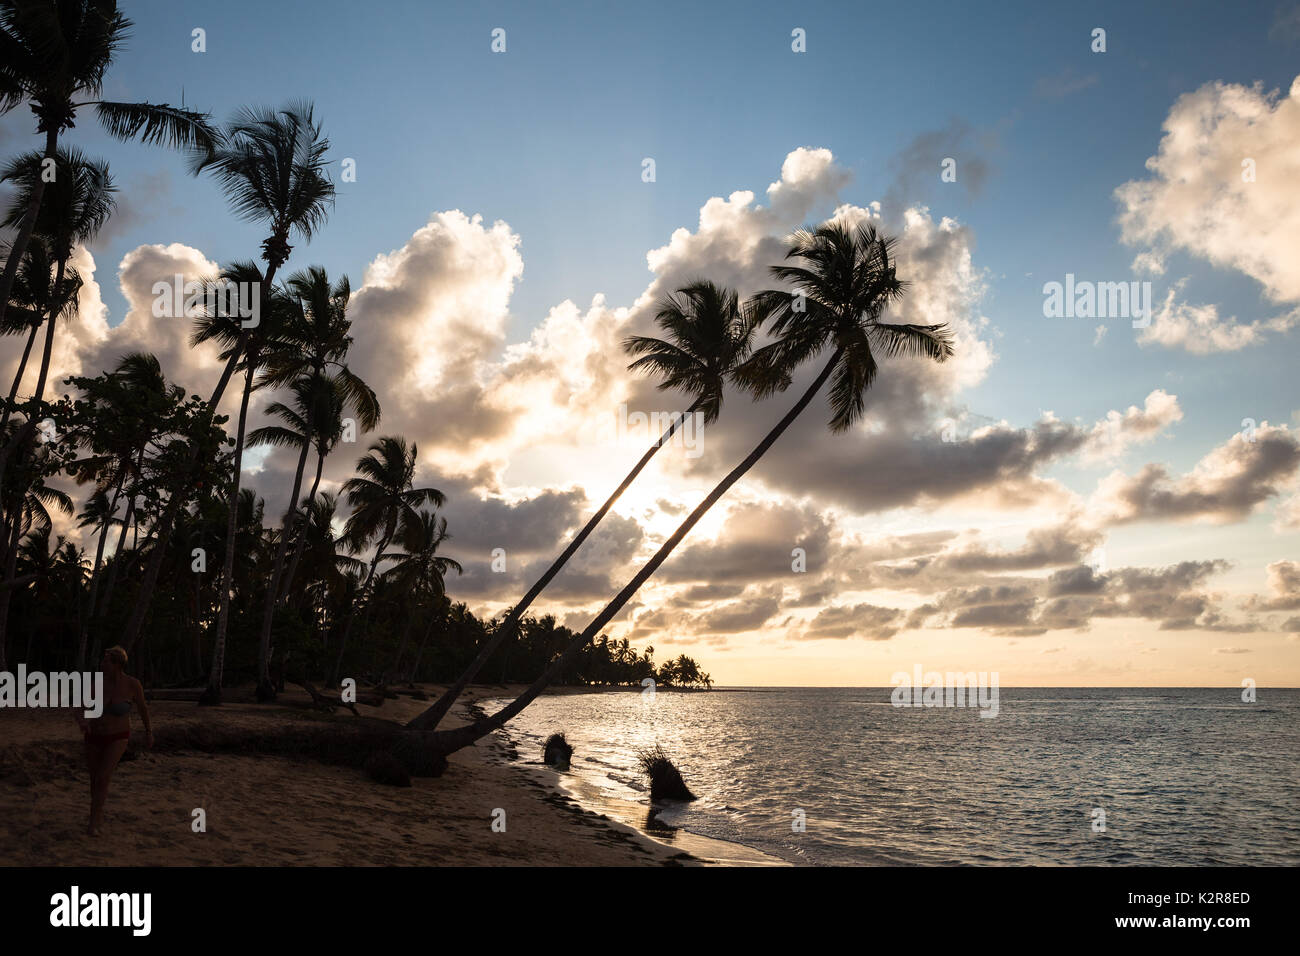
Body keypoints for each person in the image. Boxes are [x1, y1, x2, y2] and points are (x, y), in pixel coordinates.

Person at [74, 645, 152, 836]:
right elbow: (79, 707)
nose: (102, 664)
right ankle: (96, 814)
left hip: (118, 736)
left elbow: (143, 709)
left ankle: (94, 821)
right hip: (93, 736)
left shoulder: (132, 684)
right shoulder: (96, 684)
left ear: (117, 664)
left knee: (103, 776)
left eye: (106, 660)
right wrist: (83, 721)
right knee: (94, 780)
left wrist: (149, 731)